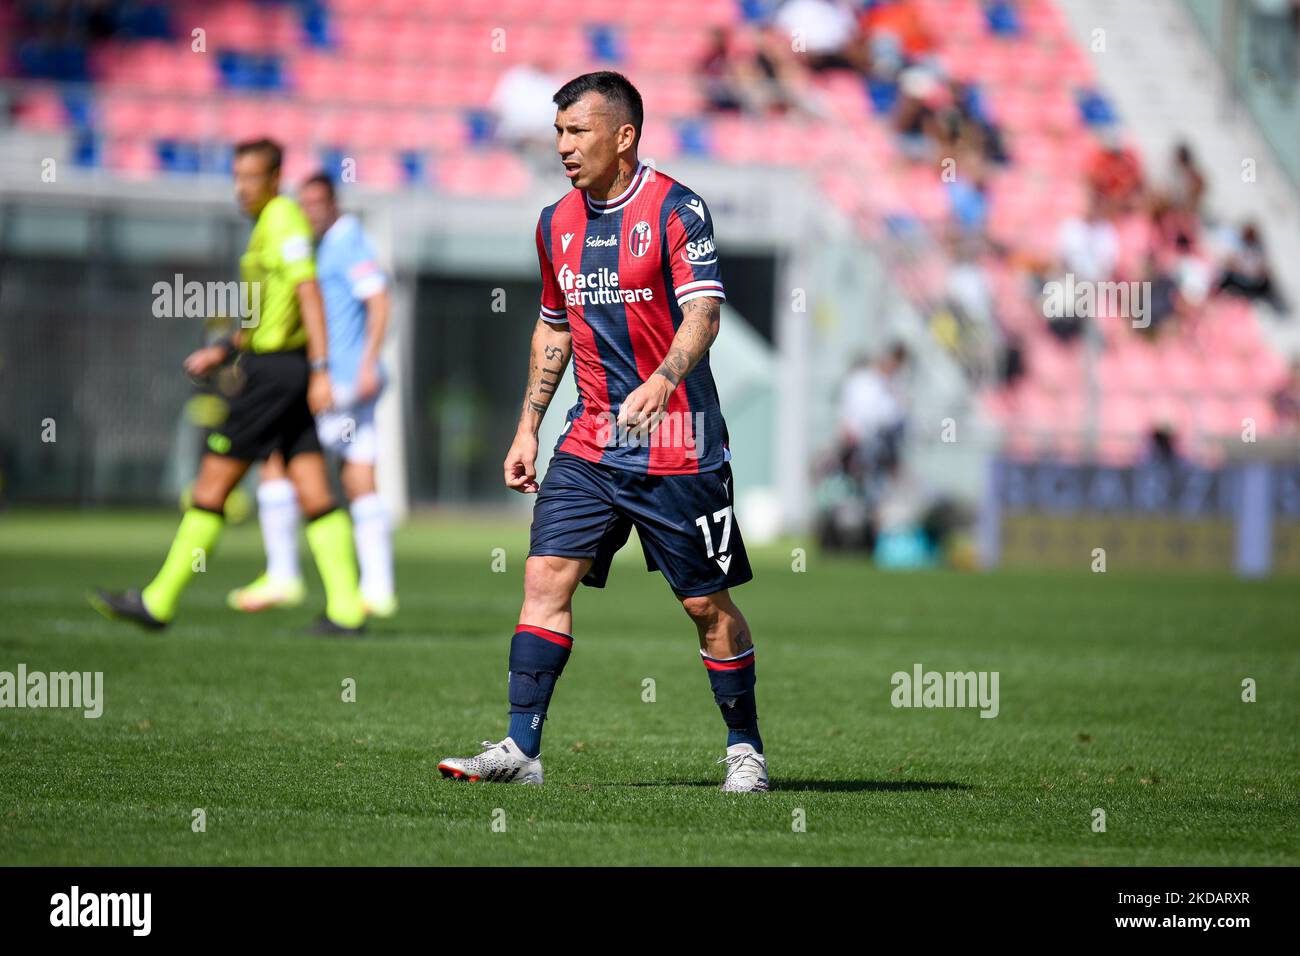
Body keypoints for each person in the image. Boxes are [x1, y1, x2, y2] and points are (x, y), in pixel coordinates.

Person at [436, 71, 767, 792]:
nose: (563, 146)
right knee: (543, 578)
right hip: (591, 439)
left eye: (577, 131)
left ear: (624, 137)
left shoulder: (678, 208)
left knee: (704, 606)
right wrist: (527, 427)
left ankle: (745, 747)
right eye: (558, 132)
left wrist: (664, 378)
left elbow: (703, 314)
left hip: (680, 439)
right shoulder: (555, 222)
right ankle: (522, 750)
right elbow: (553, 326)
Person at [90, 139, 366, 635]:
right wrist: (226, 347)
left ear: (275, 178)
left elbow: (308, 292)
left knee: (212, 482)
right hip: (280, 367)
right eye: (237, 176)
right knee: (312, 486)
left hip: (276, 374)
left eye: (251, 177)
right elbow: (274, 309)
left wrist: (323, 368)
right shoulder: (268, 225)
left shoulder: (282, 220)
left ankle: (159, 601)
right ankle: (347, 608)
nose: (241, 187)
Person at [226, 172, 397, 618]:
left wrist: (365, 362)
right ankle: (377, 589)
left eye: (317, 203)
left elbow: (379, 300)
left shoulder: (346, 240)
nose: (309, 212)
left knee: (279, 462)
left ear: (334, 202)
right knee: (358, 476)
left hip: (339, 380)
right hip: (345, 378)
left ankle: (284, 574)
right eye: (304, 205)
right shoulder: (328, 244)